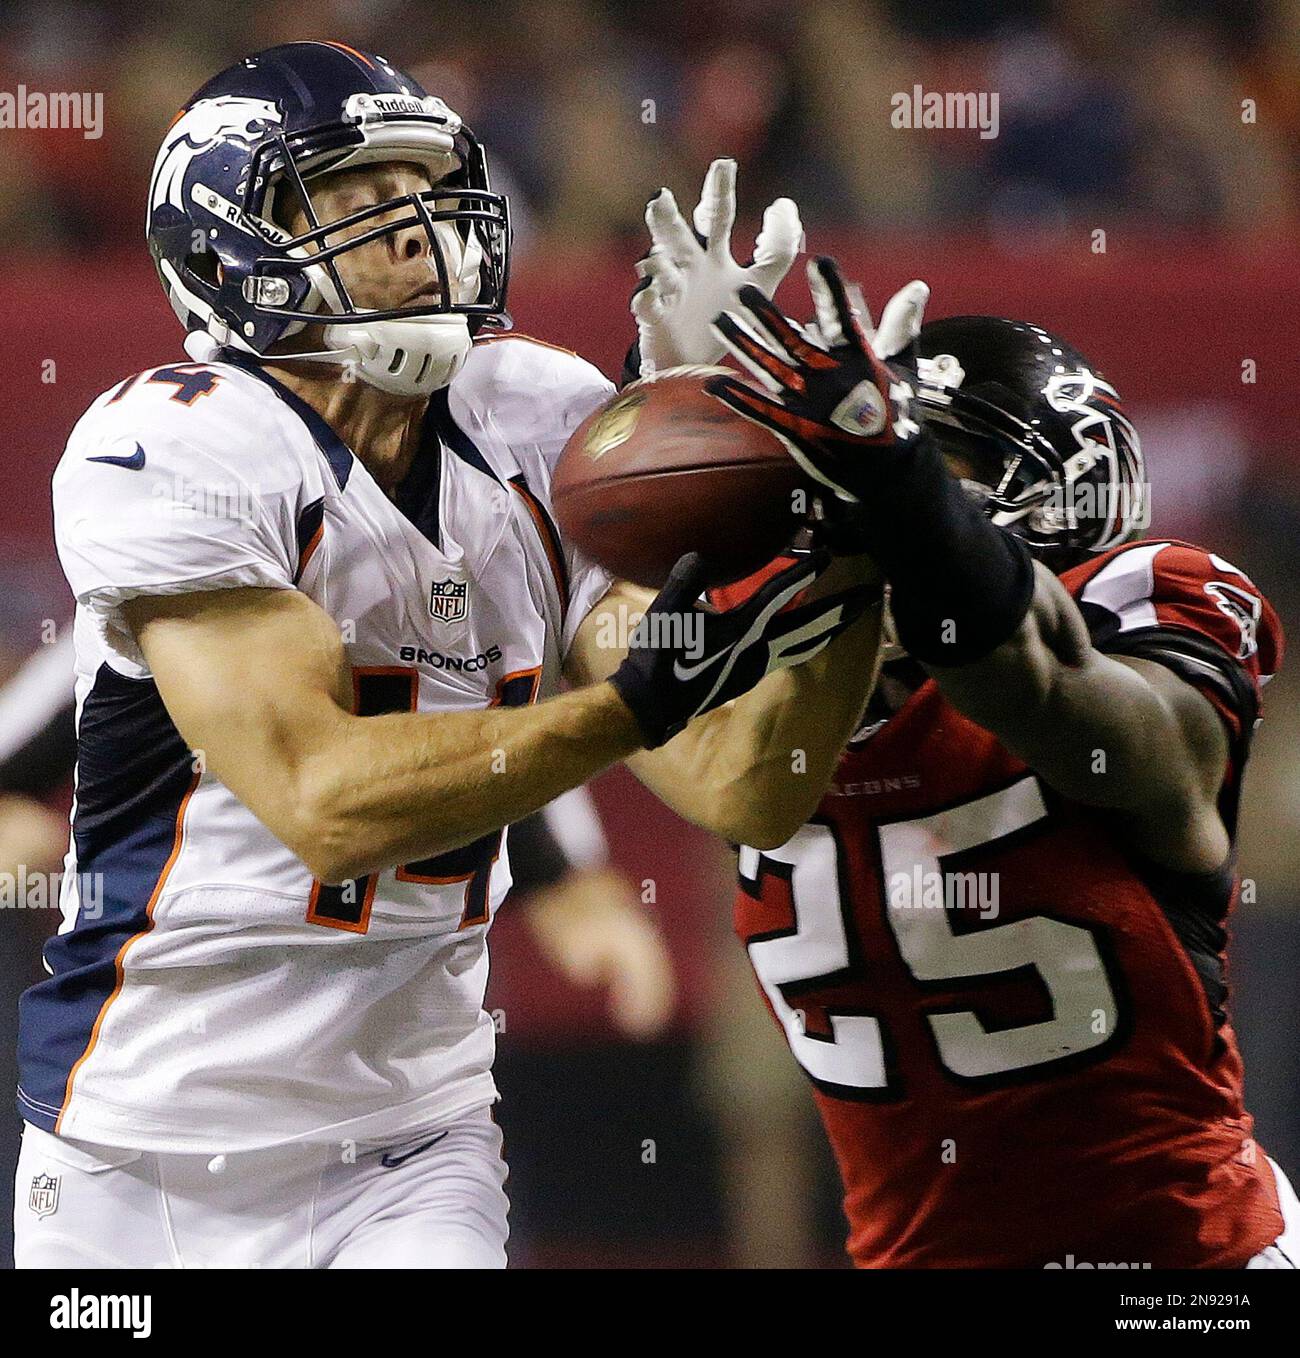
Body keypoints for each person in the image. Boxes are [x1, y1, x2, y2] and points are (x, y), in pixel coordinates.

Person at [13, 42, 883, 1269]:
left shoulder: (533, 413)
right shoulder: (175, 443)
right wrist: (625, 709)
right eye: (357, 199)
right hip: (138, 1147)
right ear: (223, 247)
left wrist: (856, 545)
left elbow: (747, 783)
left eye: (426, 190)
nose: (417, 229)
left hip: (411, 1143)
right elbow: (327, 800)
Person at [688, 258, 1293, 1268]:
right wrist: (658, 390)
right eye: (844, 479)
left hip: (1185, 1264)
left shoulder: (1145, 604)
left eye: (940, 465)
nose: (853, 508)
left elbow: (1051, 699)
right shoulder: (778, 674)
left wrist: (905, 489)